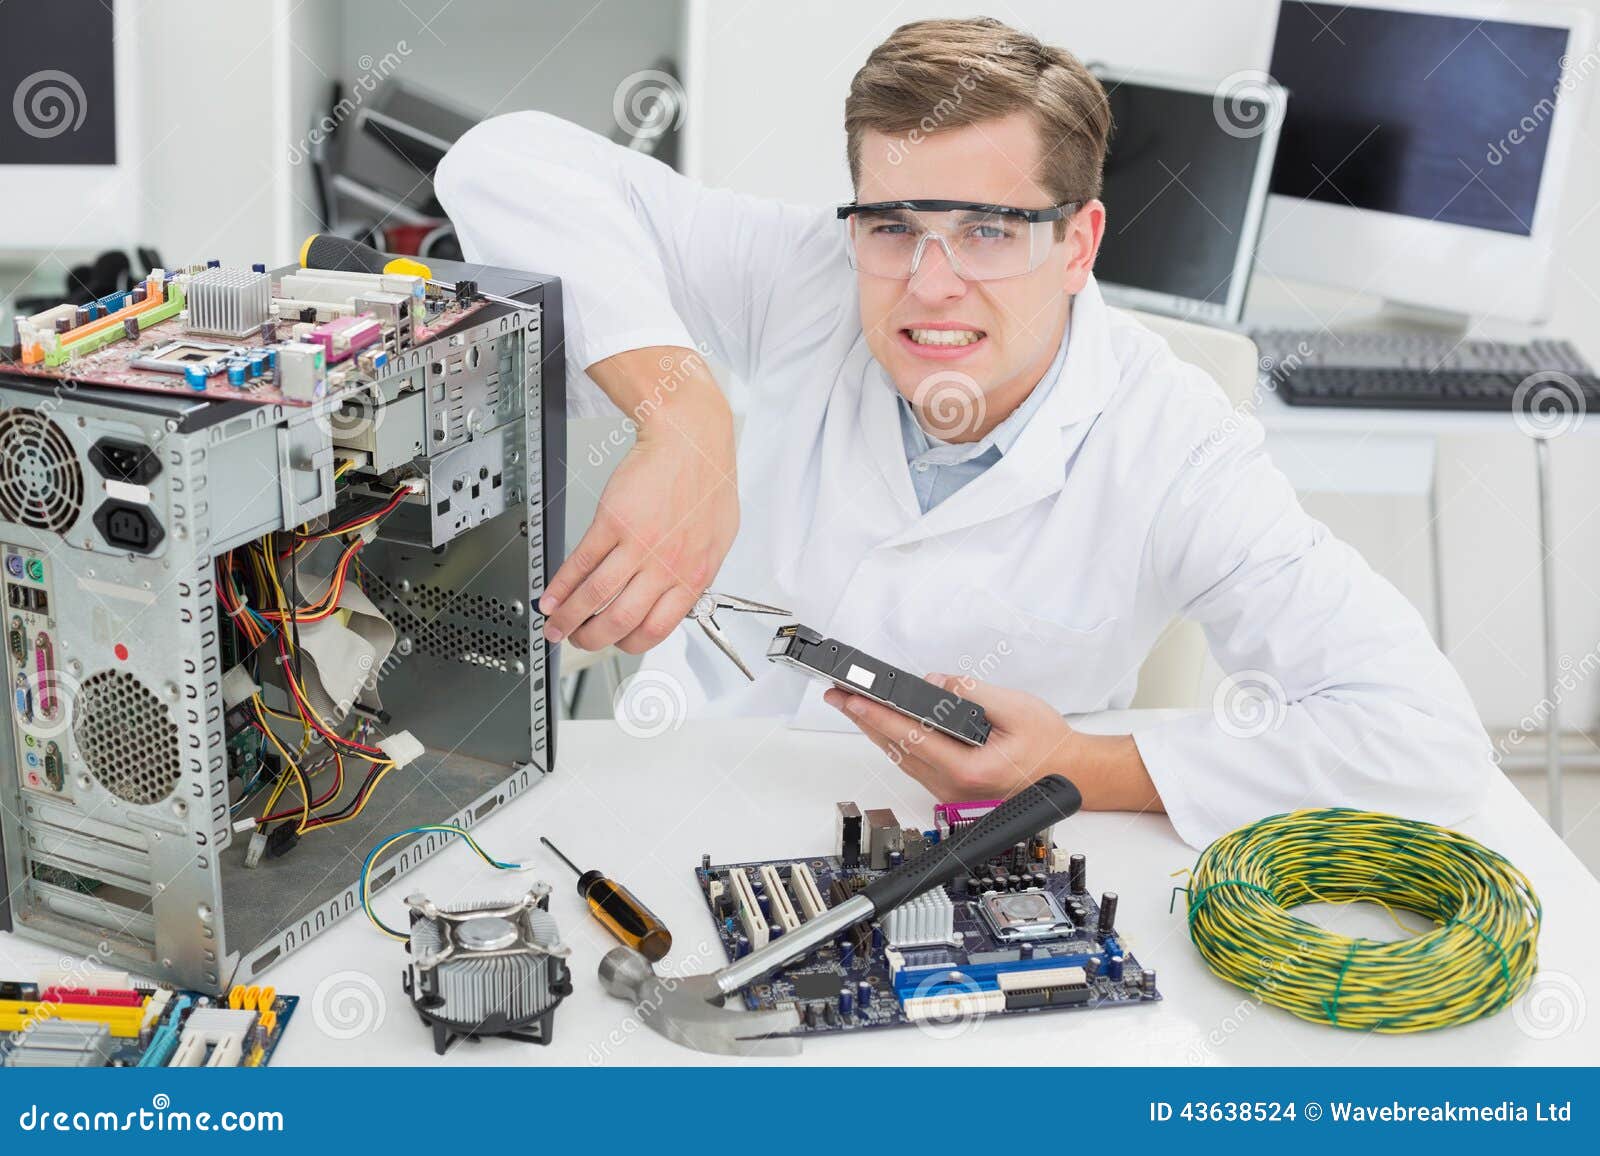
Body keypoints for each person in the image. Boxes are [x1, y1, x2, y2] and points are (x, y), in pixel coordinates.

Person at [436, 16, 1493, 847]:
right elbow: (500, 160)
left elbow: (1422, 737)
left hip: (980, 853)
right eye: (893, 225)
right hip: (688, 795)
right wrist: (683, 417)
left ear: (1078, 243)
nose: (926, 284)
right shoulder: (807, 272)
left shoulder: (1176, 443)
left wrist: (1080, 765)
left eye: (988, 230)